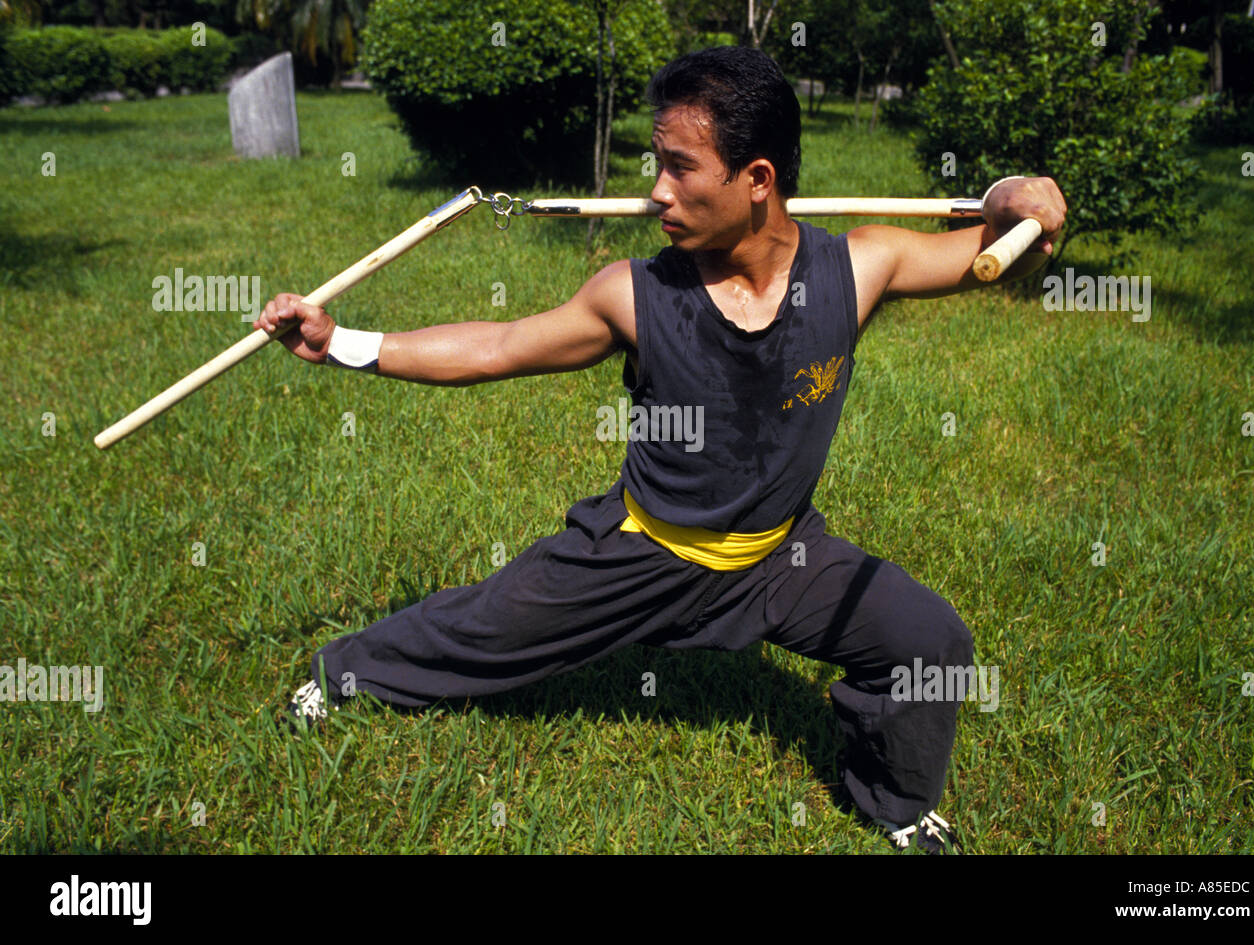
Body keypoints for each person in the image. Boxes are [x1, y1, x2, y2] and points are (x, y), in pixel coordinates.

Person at [253, 46, 1066, 854]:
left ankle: (895, 803)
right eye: (656, 164)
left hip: (781, 553)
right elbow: (496, 346)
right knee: (480, 627)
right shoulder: (634, 294)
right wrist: (343, 343)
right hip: (646, 547)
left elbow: (992, 248)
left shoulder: (862, 267)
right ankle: (339, 673)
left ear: (756, 179)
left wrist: (1013, 194)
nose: (656, 192)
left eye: (680, 168)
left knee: (932, 643)